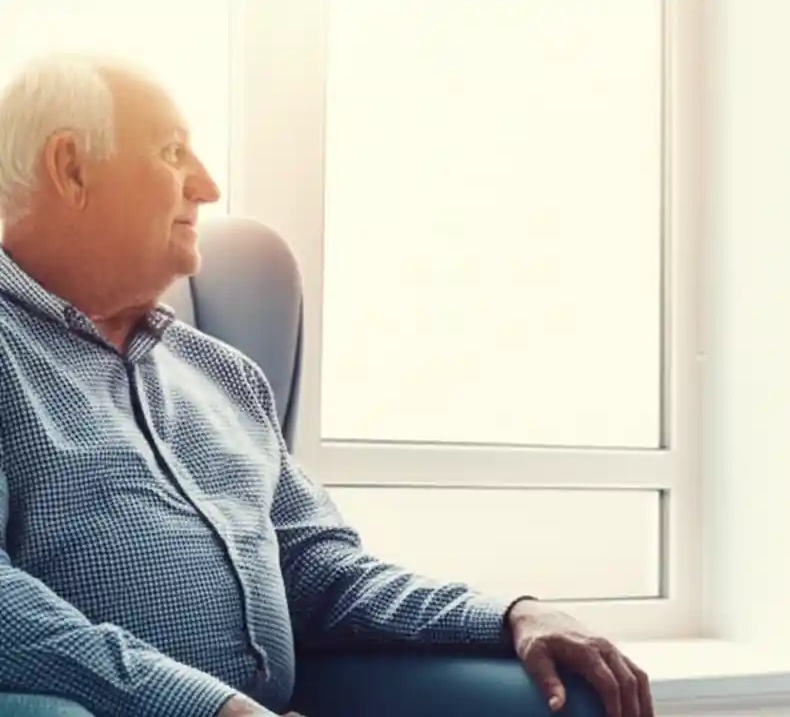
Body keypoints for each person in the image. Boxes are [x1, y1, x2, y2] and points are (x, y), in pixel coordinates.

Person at [0, 55, 652, 717]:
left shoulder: (223, 374)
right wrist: (209, 709)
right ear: (72, 169)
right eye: (172, 153)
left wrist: (512, 613)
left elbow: (322, 572)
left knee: (565, 701)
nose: (207, 185)